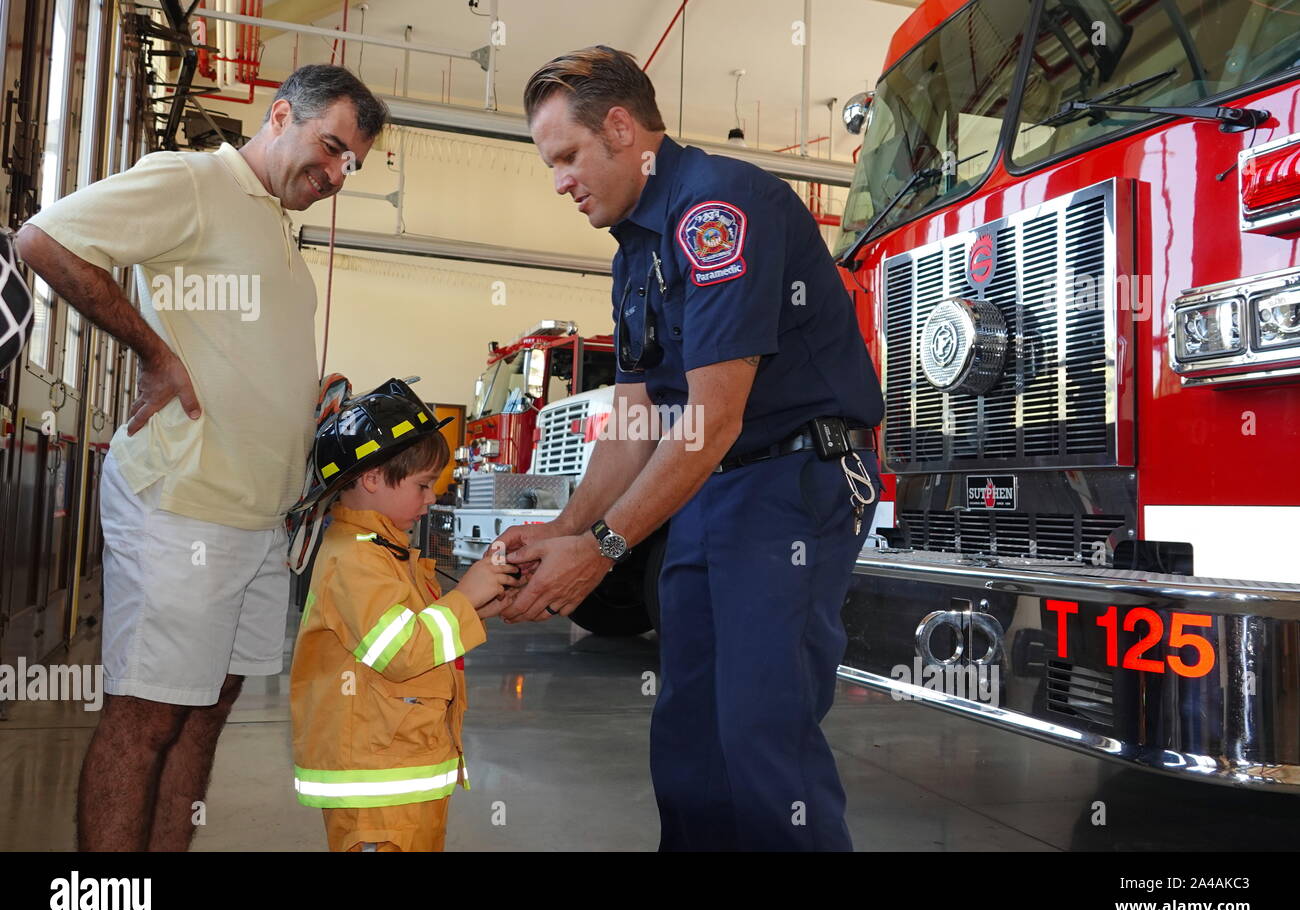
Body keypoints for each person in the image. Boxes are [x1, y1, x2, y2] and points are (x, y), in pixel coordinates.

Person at [500, 46, 885, 852]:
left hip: (790, 482)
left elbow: (712, 416)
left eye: (567, 157)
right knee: (687, 734)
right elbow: (638, 417)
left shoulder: (718, 207)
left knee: (759, 733)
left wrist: (603, 548)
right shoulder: (635, 251)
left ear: (620, 127)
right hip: (708, 492)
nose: (560, 181)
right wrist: (567, 528)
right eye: (549, 165)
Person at [13, 64, 387, 851]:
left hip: (257, 523)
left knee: (204, 715)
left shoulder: (277, 232)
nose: (333, 175)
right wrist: (150, 351)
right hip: (183, 507)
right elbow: (44, 238)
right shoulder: (193, 183)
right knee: (146, 717)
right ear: (279, 114)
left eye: (348, 164)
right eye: (327, 149)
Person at [289, 378, 521, 852]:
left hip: (402, 776)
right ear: (371, 476)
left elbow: (414, 627)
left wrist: (482, 606)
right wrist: (466, 595)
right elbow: (402, 653)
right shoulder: (354, 560)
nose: (430, 498)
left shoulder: (381, 551)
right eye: (421, 485)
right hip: (379, 794)